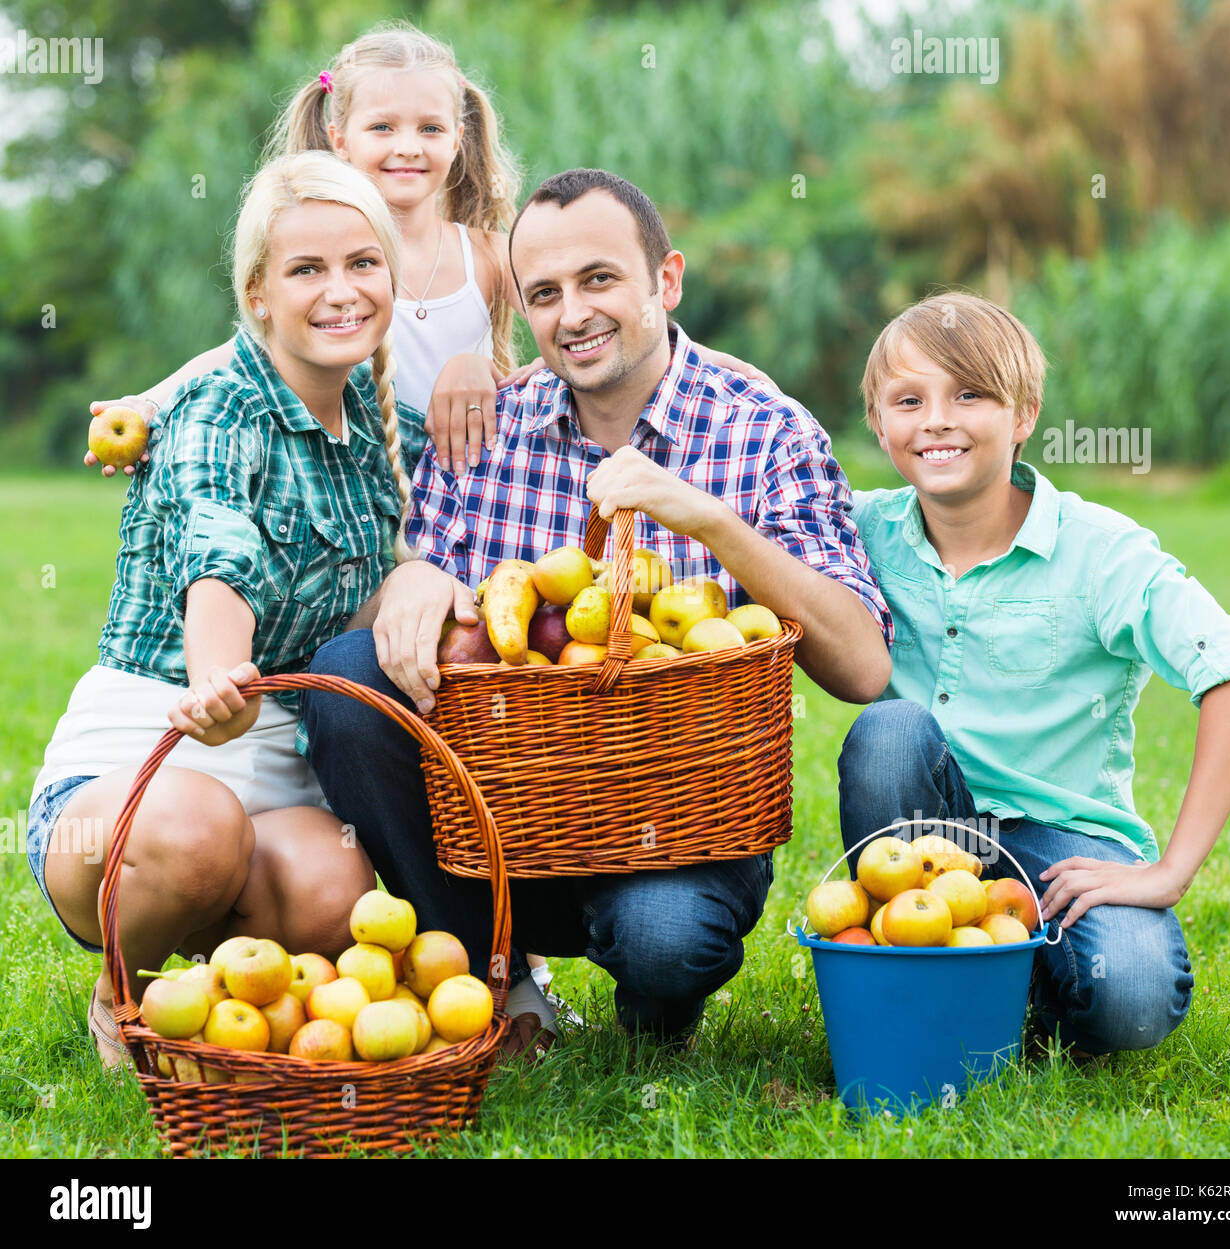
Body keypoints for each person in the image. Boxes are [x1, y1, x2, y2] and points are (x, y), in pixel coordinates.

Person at [298, 168, 894, 1054]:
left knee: (663, 939)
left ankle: (657, 1009)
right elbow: (406, 625)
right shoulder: (486, 429)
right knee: (349, 678)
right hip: (507, 828)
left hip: (681, 830)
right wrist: (413, 579)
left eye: (599, 279)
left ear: (667, 280)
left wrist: (711, 521)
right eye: (544, 293)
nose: (572, 313)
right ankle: (486, 982)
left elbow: (861, 666)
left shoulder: (767, 431)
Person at [28, 150, 422, 1066]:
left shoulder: (359, 412)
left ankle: (215, 976)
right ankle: (122, 997)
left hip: (275, 757)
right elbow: (219, 560)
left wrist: (418, 587)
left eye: (363, 264)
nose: (341, 291)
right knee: (201, 830)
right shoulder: (217, 413)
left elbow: (357, 596)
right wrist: (218, 677)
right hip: (146, 758)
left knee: (338, 892)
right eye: (307, 270)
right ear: (258, 294)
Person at [837, 291, 1230, 1058]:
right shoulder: (859, 528)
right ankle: (919, 988)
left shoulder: (1100, 550)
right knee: (889, 732)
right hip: (921, 838)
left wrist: (1171, 869)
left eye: (970, 394)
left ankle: (1018, 979)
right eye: (909, 400)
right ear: (879, 424)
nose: (937, 420)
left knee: (1136, 998)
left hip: (1063, 844)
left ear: (1024, 415)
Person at [85, 21, 769, 482]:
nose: (407, 145)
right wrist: (149, 402)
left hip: (461, 480)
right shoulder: (324, 261)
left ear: (457, 137)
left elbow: (584, 342)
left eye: (429, 127)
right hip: (348, 476)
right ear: (340, 136)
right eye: (382, 126)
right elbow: (244, 352)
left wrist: (751, 383)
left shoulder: (488, 255)